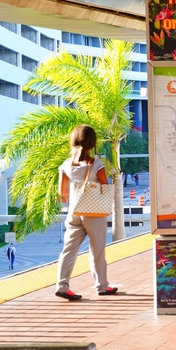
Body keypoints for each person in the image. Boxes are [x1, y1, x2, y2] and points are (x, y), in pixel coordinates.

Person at [55, 125, 117, 301]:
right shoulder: (96, 164)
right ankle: (102, 286)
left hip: (74, 212)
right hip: (94, 213)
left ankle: (62, 286)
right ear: (92, 143)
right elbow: (104, 186)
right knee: (97, 251)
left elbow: (62, 192)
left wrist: (77, 189)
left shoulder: (66, 165)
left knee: (68, 250)